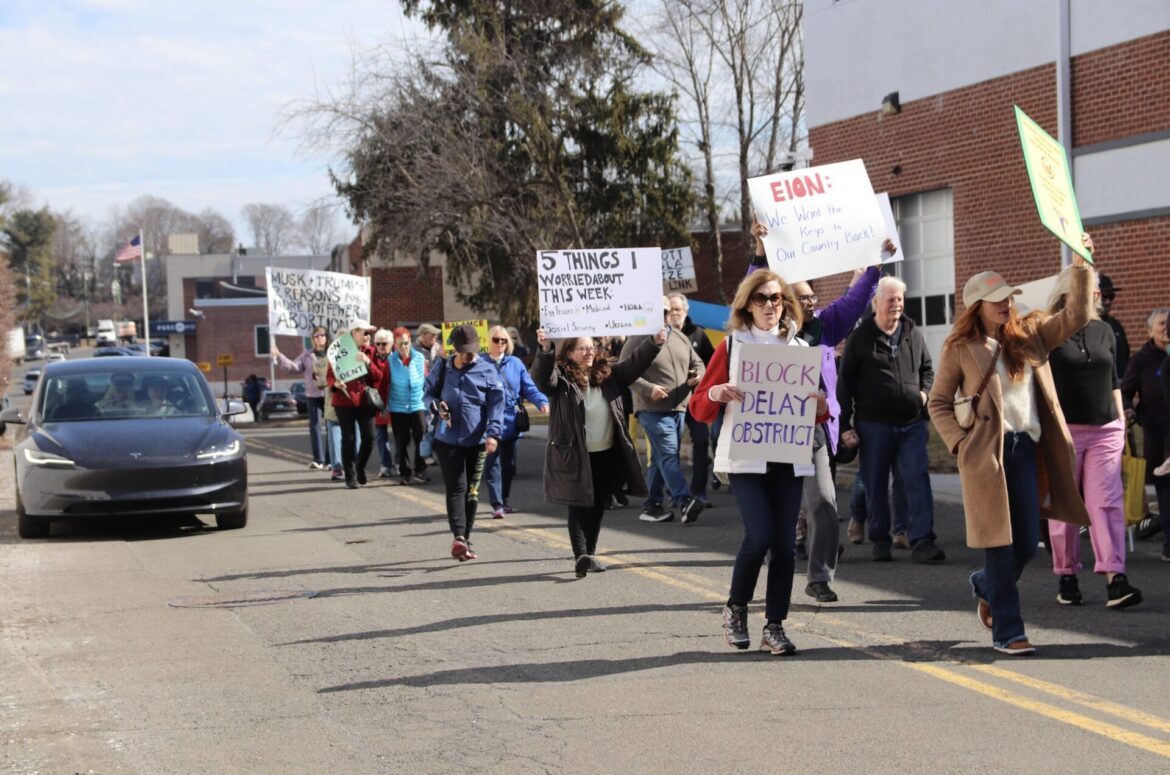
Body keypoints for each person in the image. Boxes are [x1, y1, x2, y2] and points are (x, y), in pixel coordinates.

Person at [929, 251, 1094, 656]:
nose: (1007, 303)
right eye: (997, 299)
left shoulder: (1030, 334)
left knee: (1023, 545)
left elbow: (1077, 315)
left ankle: (986, 584)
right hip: (987, 454)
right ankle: (1008, 631)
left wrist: (1081, 268)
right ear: (977, 307)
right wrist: (959, 442)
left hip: (1026, 452)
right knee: (999, 545)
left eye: (1008, 296)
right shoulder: (960, 348)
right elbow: (938, 402)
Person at [690, 268, 828, 655]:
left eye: (777, 298)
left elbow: (817, 412)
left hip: (787, 456)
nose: (770, 305)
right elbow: (699, 407)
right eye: (761, 298)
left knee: (785, 545)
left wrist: (820, 406)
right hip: (747, 458)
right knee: (759, 536)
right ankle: (736, 608)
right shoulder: (733, 348)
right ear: (747, 305)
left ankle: (775, 626)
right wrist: (716, 391)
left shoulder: (800, 351)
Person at [786, 229, 894, 601]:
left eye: (812, 297)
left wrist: (875, 266)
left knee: (824, 502)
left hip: (814, 432)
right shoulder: (765, 334)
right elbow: (752, 287)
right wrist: (756, 252)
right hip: (772, 432)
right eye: (802, 299)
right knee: (772, 518)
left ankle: (819, 577)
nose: (810, 304)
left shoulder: (824, 327)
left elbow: (853, 300)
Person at [532, 327, 665, 576]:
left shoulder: (608, 374)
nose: (589, 352)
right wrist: (545, 349)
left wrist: (654, 343)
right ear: (569, 353)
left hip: (605, 452)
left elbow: (634, 365)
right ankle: (581, 554)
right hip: (574, 454)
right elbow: (541, 378)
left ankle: (589, 554)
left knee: (597, 504)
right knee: (578, 505)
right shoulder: (560, 378)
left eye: (591, 347)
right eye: (582, 348)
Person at [1045, 269, 1142, 607]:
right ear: (1068, 292)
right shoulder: (1050, 330)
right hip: (1065, 432)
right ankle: (1066, 573)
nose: (1098, 294)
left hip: (1106, 430)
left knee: (1106, 503)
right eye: (1092, 288)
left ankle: (1116, 577)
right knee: (1066, 507)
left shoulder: (1106, 330)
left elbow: (1114, 379)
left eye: (1099, 290)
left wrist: (1121, 421)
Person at [838, 276, 943, 564]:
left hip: (911, 423)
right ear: (876, 303)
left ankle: (923, 540)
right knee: (874, 483)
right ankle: (880, 539)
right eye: (890, 299)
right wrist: (845, 426)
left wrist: (923, 394)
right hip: (874, 425)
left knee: (916, 479)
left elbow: (928, 369)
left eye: (899, 299)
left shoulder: (913, 332)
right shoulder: (860, 338)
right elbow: (844, 384)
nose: (896, 304)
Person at [621, 297, 706, 524]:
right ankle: (684, 500)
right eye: (659, 311)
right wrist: (648, 389)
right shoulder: (637, 338)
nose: (664, 315)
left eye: (667, 311)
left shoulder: (679, 337)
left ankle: (652, 505)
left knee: (661, 457)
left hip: (679, 407)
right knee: (669, 454)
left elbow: (698, 363)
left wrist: (698, 375)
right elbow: (624, 372)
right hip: (652, 409)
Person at [424, 324, 505, 561]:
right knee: (456, 488)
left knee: (471, 490)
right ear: (455, 350)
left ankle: (465, 539)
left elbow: (496, 404)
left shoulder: (487, 370)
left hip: (478, 439)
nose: (468, 356)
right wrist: (436, 407)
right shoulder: (443, 367)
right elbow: (427, 393)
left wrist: (493, 433)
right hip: (447, 439)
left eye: (472, 351)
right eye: (464, 351)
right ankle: (459, 536)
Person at [483, 325, 549, 518]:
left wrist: (541, 401)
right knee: (492, 464)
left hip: (512, 420)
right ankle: (497, 504)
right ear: (489, 342)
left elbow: (528, 387)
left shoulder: (516, 363)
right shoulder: (480, 363)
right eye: (496, 340)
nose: (501, 344)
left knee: (509, 466)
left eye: (504, 340)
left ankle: (504, 498)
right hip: (489, 423)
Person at [1121, 307, 1170, 560]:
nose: (1166, 327)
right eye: (1161, 323)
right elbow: (1126, 390)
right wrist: (1129, 410)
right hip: (1158, 434)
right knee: (1165, 488)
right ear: (1150, 329)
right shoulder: (1141, 360)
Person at [326, 319, 386, 489]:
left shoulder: (371, 351)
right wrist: (335, 385)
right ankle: (350, 476)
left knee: (370, 438)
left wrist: (367, 361)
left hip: (365, 400)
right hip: (344, 400)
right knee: (349, 438)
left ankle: (359, 466)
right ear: (354, 333)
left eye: (369, 333)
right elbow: (330, 374)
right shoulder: (339, 350)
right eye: (365, 333)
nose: (368, 336)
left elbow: (378, 376)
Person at [674, 293, 716, 507]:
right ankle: (675, 493)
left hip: (695, 401)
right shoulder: (660, 336)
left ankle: (698, 491)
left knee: (701, 441)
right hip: (670, 403)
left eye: (677, 310)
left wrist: (702, 378)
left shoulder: (698, 334)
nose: (674, 315)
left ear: (686, 311)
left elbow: (713, 364)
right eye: (669, 311)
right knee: (670, 448)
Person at [272, 325, 331, 470]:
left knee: (331, 426)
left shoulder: (332, 353)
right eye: (316, 336)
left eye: (322, 335)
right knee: (314, 426)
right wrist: (280, 356)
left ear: (327, 337)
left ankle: (331, 460)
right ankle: (319, 459)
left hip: (330, 394)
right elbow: (294, 367)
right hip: (313, 394)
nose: (319, 338)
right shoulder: (307, 355)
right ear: (312, 339)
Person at [388, 326, 430, 485]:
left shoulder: (419, 358)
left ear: (410, 342)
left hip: (417, 403)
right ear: (394, 345)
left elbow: (426, 380)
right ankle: (405, 472)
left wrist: (429, 402)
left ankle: (420, 469)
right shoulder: (391, 360)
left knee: (421, 436)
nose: (404, 347)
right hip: (398, 405)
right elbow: (386, 384)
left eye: (406, 343)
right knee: (402, 440)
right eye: (399, 344)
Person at [369, 328, 397, 478]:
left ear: (391, 344)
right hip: (378, 402)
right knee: (380, 436)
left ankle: (399, 462)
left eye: (384, 343)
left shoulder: (398, 359)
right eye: (378, 344)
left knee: (399, 435)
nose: (381, 347)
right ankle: (386, 465)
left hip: (396, 401)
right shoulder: (371, 359)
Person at [1098, 273, 1130, 379]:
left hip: (1120, 385)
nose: (1108, 301)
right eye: (1104, 297)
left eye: (1111, 296)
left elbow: (1126, 355)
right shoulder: (1085, 326)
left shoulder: (1116, 325)